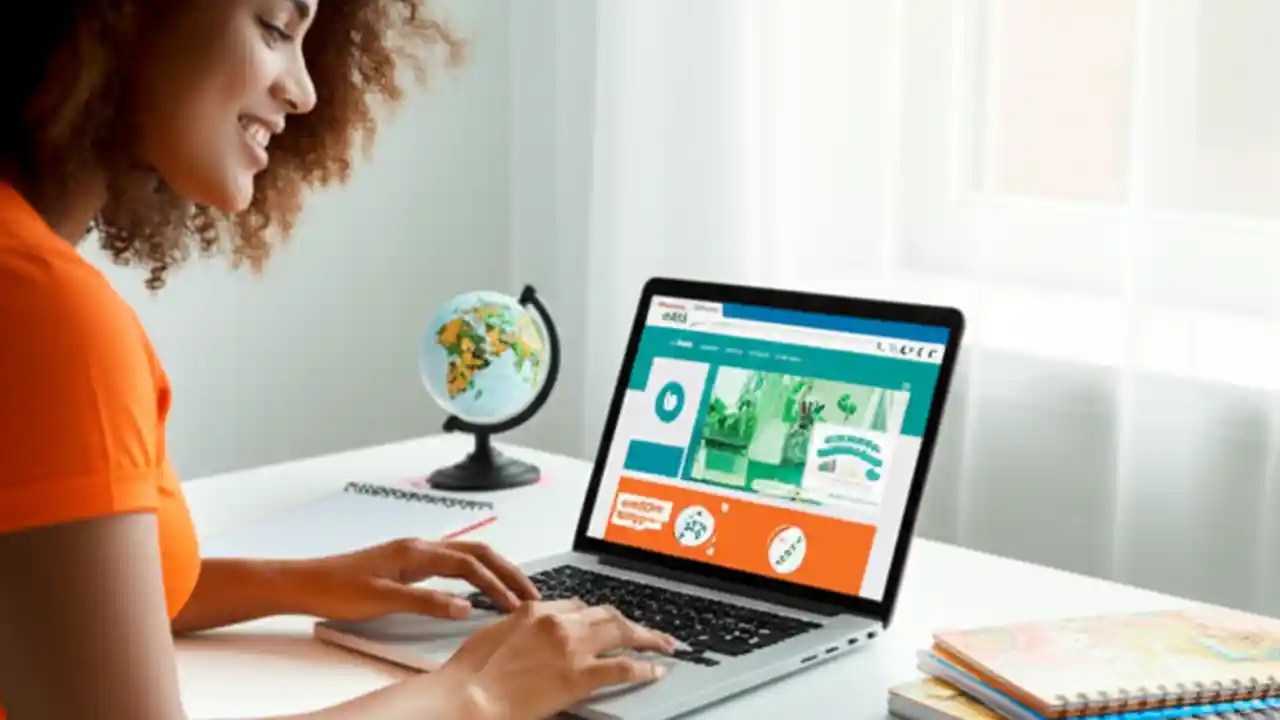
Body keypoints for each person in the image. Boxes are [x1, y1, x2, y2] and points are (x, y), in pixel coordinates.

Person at [0, 2, 675, 718]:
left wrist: (303, 582)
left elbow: (52, 586)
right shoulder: (46, 314)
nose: (303, 91)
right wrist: (479, 691)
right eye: (274, 26)